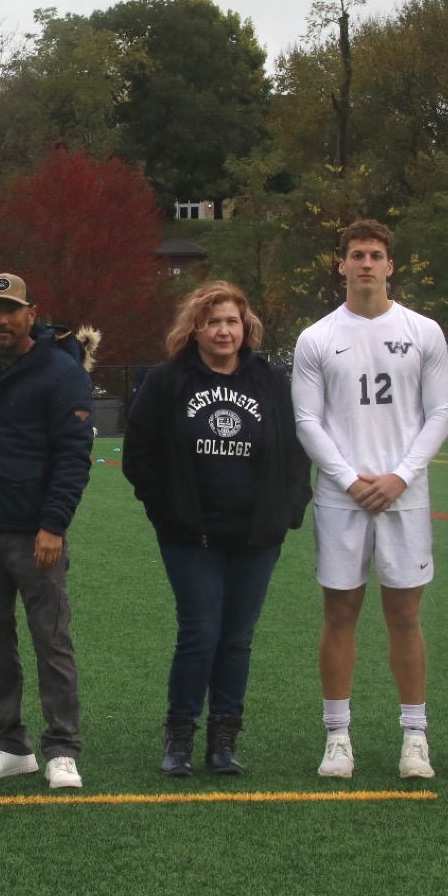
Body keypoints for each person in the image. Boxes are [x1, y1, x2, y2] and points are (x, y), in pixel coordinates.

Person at [124, 281, 311, 776]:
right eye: (212, 322)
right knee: (200, 632)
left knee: (237, 638)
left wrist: (289, 509)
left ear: (245, 327)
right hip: (192, 537)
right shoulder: (167, 380)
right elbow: (139, 453)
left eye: (231, 321)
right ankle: (180, 736)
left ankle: (224, 739)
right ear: (195, 329)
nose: (223, 331)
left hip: (256, 536)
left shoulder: (269, 380)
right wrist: (166, 510)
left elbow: (295, 450)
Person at [292, 218, 448, 780]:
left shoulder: (423, 331)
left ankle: (415, 737)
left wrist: (400, 476)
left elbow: (440, 413)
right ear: (341, 264)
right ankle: (338, 737)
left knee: (405, 615)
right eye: (356, 254)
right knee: (340, 613)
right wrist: (348, 479)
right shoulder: (316, 338)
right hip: (343, 498)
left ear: (390, 265)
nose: (365, 263)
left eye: (375, 255)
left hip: (403, 496)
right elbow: (307, 420)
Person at [0, 273, 96, 789]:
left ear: (31, 314)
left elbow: (74, 455)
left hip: (36, 533)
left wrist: (54, 524)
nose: (1, 319)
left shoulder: (60, 371)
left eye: (11, 309)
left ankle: (62, 748)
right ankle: (11, 744)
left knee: (51, 641)